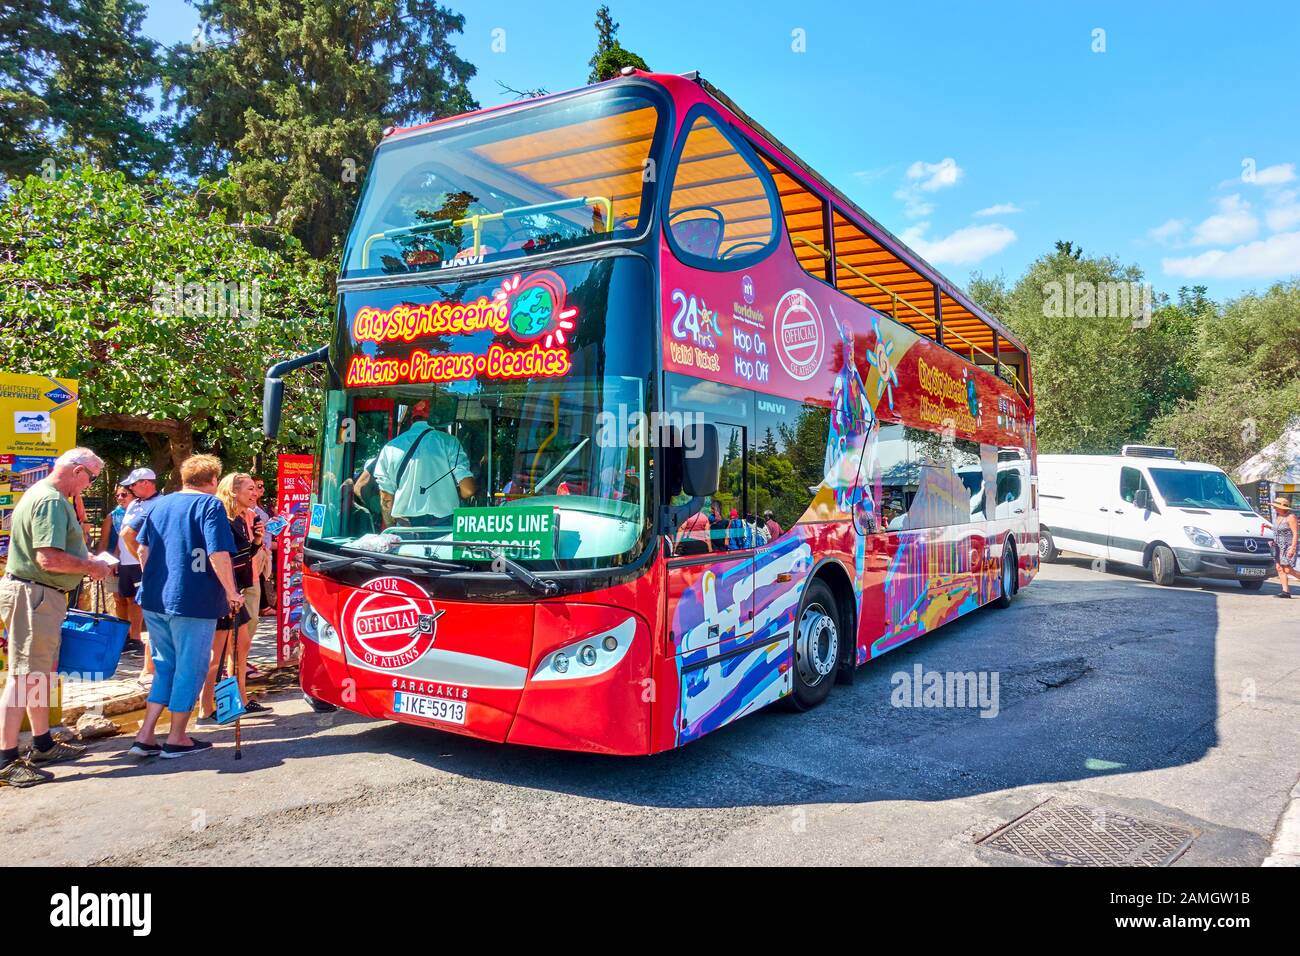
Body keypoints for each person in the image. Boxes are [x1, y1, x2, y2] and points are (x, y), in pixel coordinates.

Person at [0, 448, 111, 787]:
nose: (89, 486)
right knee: (25, 675)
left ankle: (42, 743)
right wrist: (91, 566)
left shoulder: (48, 496)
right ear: (77, 471)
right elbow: (48, 558)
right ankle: (5, 759)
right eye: (90, 478)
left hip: (39, 595)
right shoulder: (50, 500)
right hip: (36, 595)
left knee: (39, 675)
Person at [127, 455, 242, 760]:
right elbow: (218, 552)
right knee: (191, 667)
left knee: (165, 667)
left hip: (155, 598)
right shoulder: (210, 505)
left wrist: (156, 577)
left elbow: (142, 548)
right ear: (214, 480)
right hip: (193, 599)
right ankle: (177, 737)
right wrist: (232, 591)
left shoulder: (159, 505)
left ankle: (146, 734)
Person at [199, 473, 268, 719]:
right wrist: (228, 591)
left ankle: (239, 698)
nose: (255, 493)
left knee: (242, 646)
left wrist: (257, 541)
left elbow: (242, 557)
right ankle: (206, 707)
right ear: (233, 491)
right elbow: (219, 558)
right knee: (216, 655)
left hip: (236, 591)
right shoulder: (223, 521)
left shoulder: (242, 519)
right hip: (223, 594)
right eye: (250, 489)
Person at [372, 399, 475, 526]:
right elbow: (468, 490)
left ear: (412, 420)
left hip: (405, 527)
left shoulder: (390, 448)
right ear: (437, 418)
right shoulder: (449, 442)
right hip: (443, 526)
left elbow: (386, 496)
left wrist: (391, 527)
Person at [118, 467, 164, 675]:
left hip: (144, 563)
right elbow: (123, 533)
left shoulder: (160, 503)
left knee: (145, 606)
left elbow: (130, 534)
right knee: (125, 598)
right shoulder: (134, 503)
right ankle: (131, 640)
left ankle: (147, 659)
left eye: (134, 485)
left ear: (146, 483)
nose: (130, 488)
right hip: (126, 562)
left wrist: (141, 557)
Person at [98, 484, 135, 635]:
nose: (120, 498)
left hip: (135, 562)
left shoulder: (140, 513)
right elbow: (103, 541)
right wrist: (100, 562)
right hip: (114, 564)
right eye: (117, 495)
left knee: (132, 599)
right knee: (119, 598)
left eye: (124, 494)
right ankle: (123, 633)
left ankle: (135, 634)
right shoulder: (112, 516)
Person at [1273, 496, 1297, 599]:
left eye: (1276, 507)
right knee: (1279, 568)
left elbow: (1295, 533)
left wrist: (1293, 547)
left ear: (1282, 508)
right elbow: (1278, 529)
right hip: (1278, 546)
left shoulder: (1291, 517)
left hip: (1288, 546)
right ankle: (1285, 591)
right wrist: (1268, 527)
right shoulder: (1278, 517)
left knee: (1287, 569)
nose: (1275, 508)